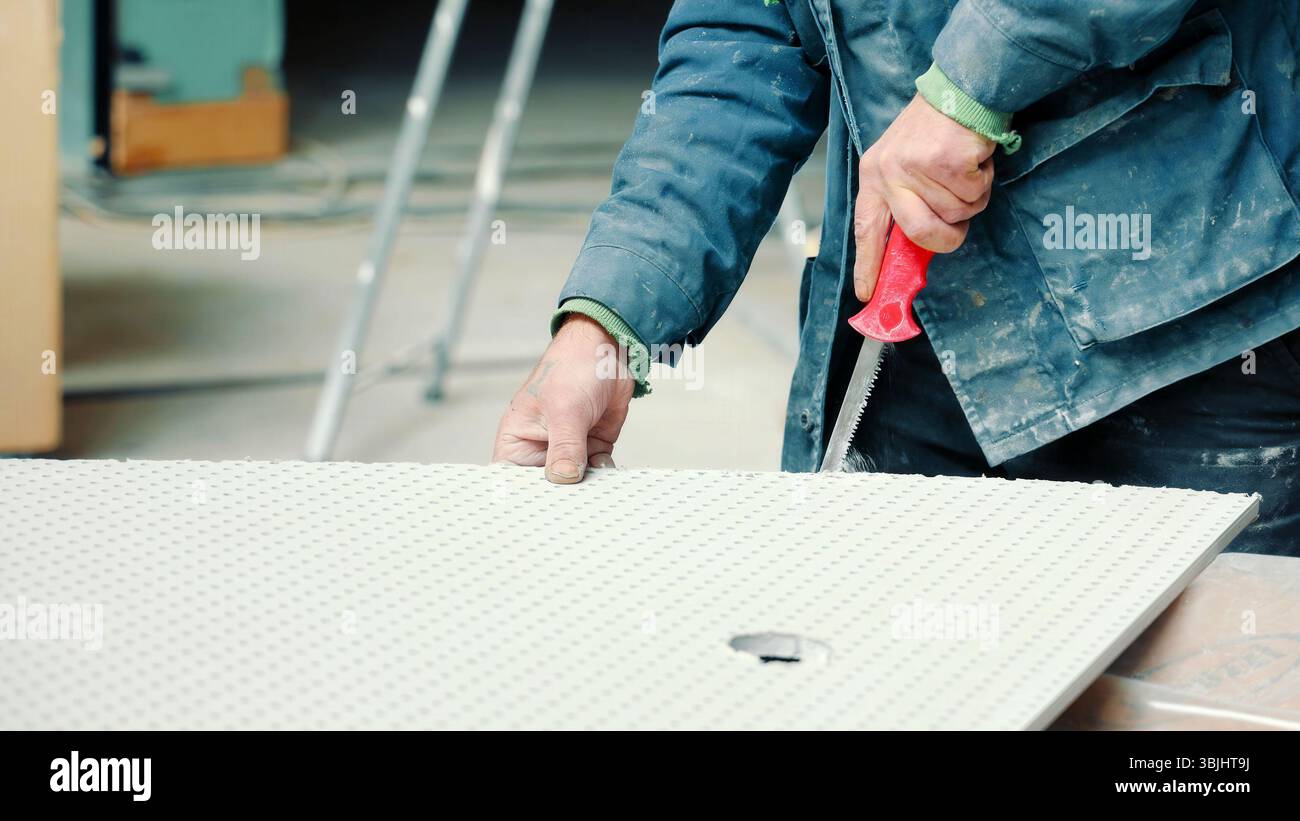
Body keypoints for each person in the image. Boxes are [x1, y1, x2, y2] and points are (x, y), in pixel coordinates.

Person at [493, 0, 1300, 555]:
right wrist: (610, 319)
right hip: (923, 322)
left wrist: (974, 83)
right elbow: (743, 33)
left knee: (1196, 720)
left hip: (1195, 314)